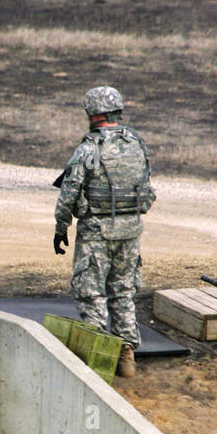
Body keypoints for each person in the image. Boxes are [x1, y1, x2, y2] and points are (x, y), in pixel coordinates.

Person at [53, 86, 155, 378]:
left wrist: (61, 227)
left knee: (91, 293)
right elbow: (146, 186)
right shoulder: (137, 144)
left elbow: (69, 192)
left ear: (92, 113)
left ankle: (98, 361)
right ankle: (126, 357)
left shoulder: (89, 148)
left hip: (96, 231)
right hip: (130, 230)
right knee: (123, 292)